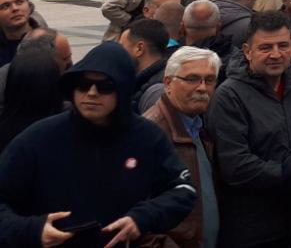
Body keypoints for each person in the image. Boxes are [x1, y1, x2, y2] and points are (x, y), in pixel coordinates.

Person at [0, 42, 196, 248]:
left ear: (122, 90)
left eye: (104, 86)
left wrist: (142, 218)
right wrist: (32, 230)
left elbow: (182, 190)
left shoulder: (147, 136)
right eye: (83, 85)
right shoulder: (39, 137)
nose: (92, 93)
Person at [211, 10, 291, 248]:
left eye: (283, 45)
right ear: (247, 51)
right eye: (265, 47)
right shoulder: (229, 95)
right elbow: (237, 166)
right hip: (252, 226)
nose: (276, 54)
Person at [144, 46, 222, 248]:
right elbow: (137, 214)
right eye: (192, 79)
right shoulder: (152, 134)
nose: (202, 88)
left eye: (209, 80)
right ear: (168, 83)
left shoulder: (199, 126)